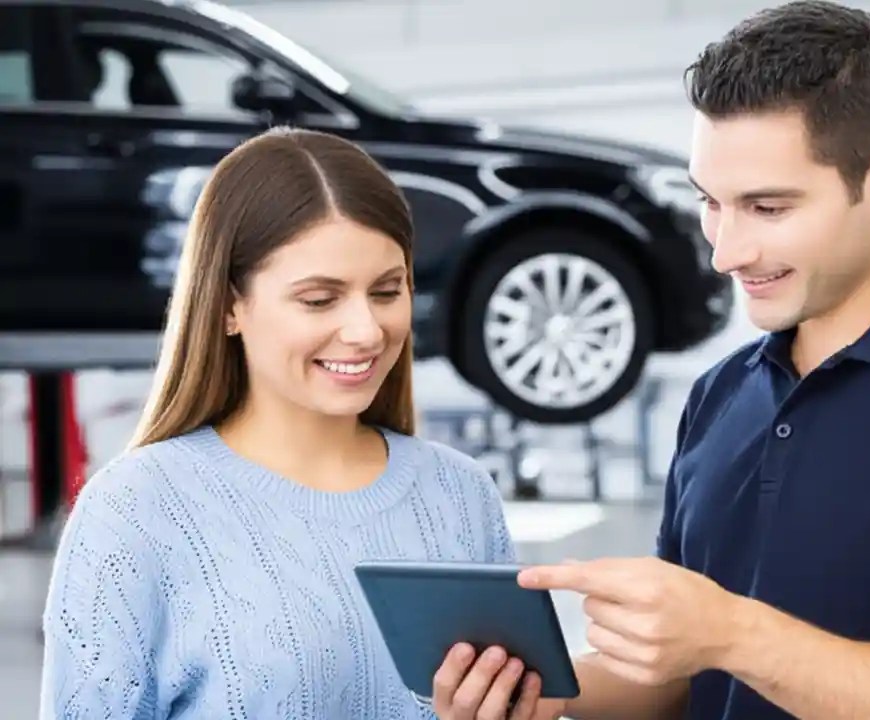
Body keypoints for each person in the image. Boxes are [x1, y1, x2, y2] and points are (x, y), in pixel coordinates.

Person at [432, 2, 870, 719]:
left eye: (767, 208)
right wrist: (544, 688)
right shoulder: (721, 395)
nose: (726, 252)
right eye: (711, 203)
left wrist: (732, 632)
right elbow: (689, 677)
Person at [39, 127, 534, 718]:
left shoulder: (460, 494)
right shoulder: (133, 509)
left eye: (386, 291)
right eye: (320, 300)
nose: (366, 331)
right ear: (229, 305)